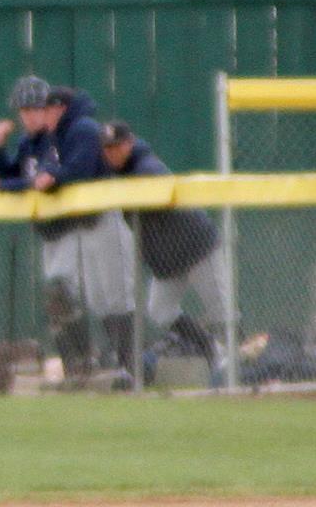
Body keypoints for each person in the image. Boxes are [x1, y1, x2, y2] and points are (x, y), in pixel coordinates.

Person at [0, 77, 136, 385]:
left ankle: (126, 366)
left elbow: (56, 177)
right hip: (65, 228)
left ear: (57, 109)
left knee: (107, 297)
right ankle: (82, 366)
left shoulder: (75, 132)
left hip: (98, 220)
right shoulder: (35, 140)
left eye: (37, 109)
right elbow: (25, 176)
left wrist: (5, 186)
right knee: (68, 295)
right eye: (24, 110)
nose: (30, 116)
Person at [99, 121, 231, 383]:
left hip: (197, 248)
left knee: (221, 310)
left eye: (116, 146)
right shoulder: (114, 172)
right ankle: (211, 348)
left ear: (129, 143)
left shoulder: (146, 163)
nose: (111, 152)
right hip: (167, 260)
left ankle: (238, 367)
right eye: (107, 148)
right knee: (160, 310)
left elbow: (154, 179)